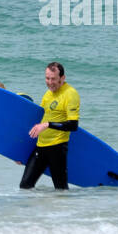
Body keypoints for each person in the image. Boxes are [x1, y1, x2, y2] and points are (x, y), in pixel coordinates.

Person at [20, 62, 79, 191]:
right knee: (25, 186)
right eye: (47, 78)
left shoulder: (71, 94)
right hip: (40, 147)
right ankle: (38, 210)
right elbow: (38, 121)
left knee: (61, 190)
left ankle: (63, 211)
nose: (50, 82)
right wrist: (20, 154)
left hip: (57, 148)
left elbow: (73, 125)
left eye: (53, 79)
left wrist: (48, 125)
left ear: (62, 78)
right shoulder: (47, 94)